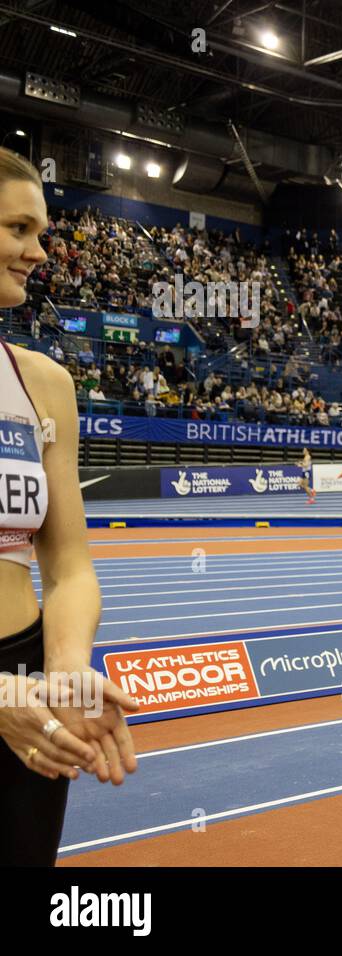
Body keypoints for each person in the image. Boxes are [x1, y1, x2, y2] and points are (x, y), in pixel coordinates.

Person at [0, 147, 140, 866]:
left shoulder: (44, 384)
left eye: (41, 230)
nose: (38, 251)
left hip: (27, 683)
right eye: (19, 229)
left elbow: (69, 564)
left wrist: (65, 669)